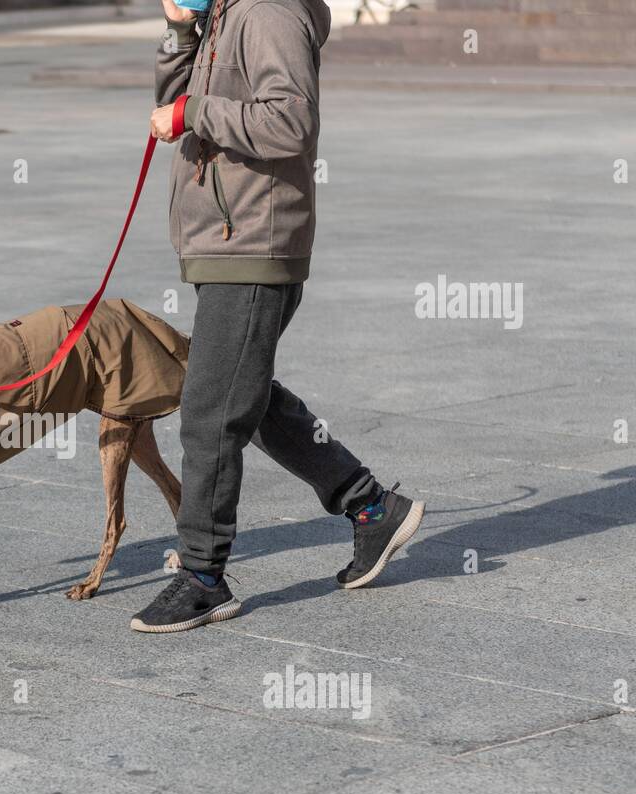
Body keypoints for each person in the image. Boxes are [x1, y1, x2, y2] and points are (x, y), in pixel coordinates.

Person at [130, 0, 424, 634]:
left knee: (211, 406)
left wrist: (192, 111)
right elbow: (172, 108)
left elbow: (290, 122)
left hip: (253, 239)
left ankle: (203, 576)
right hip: (221, 236)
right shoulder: (224, 15)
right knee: (245, 393)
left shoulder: (267, 12)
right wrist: (181, 31)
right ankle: (372, 508)